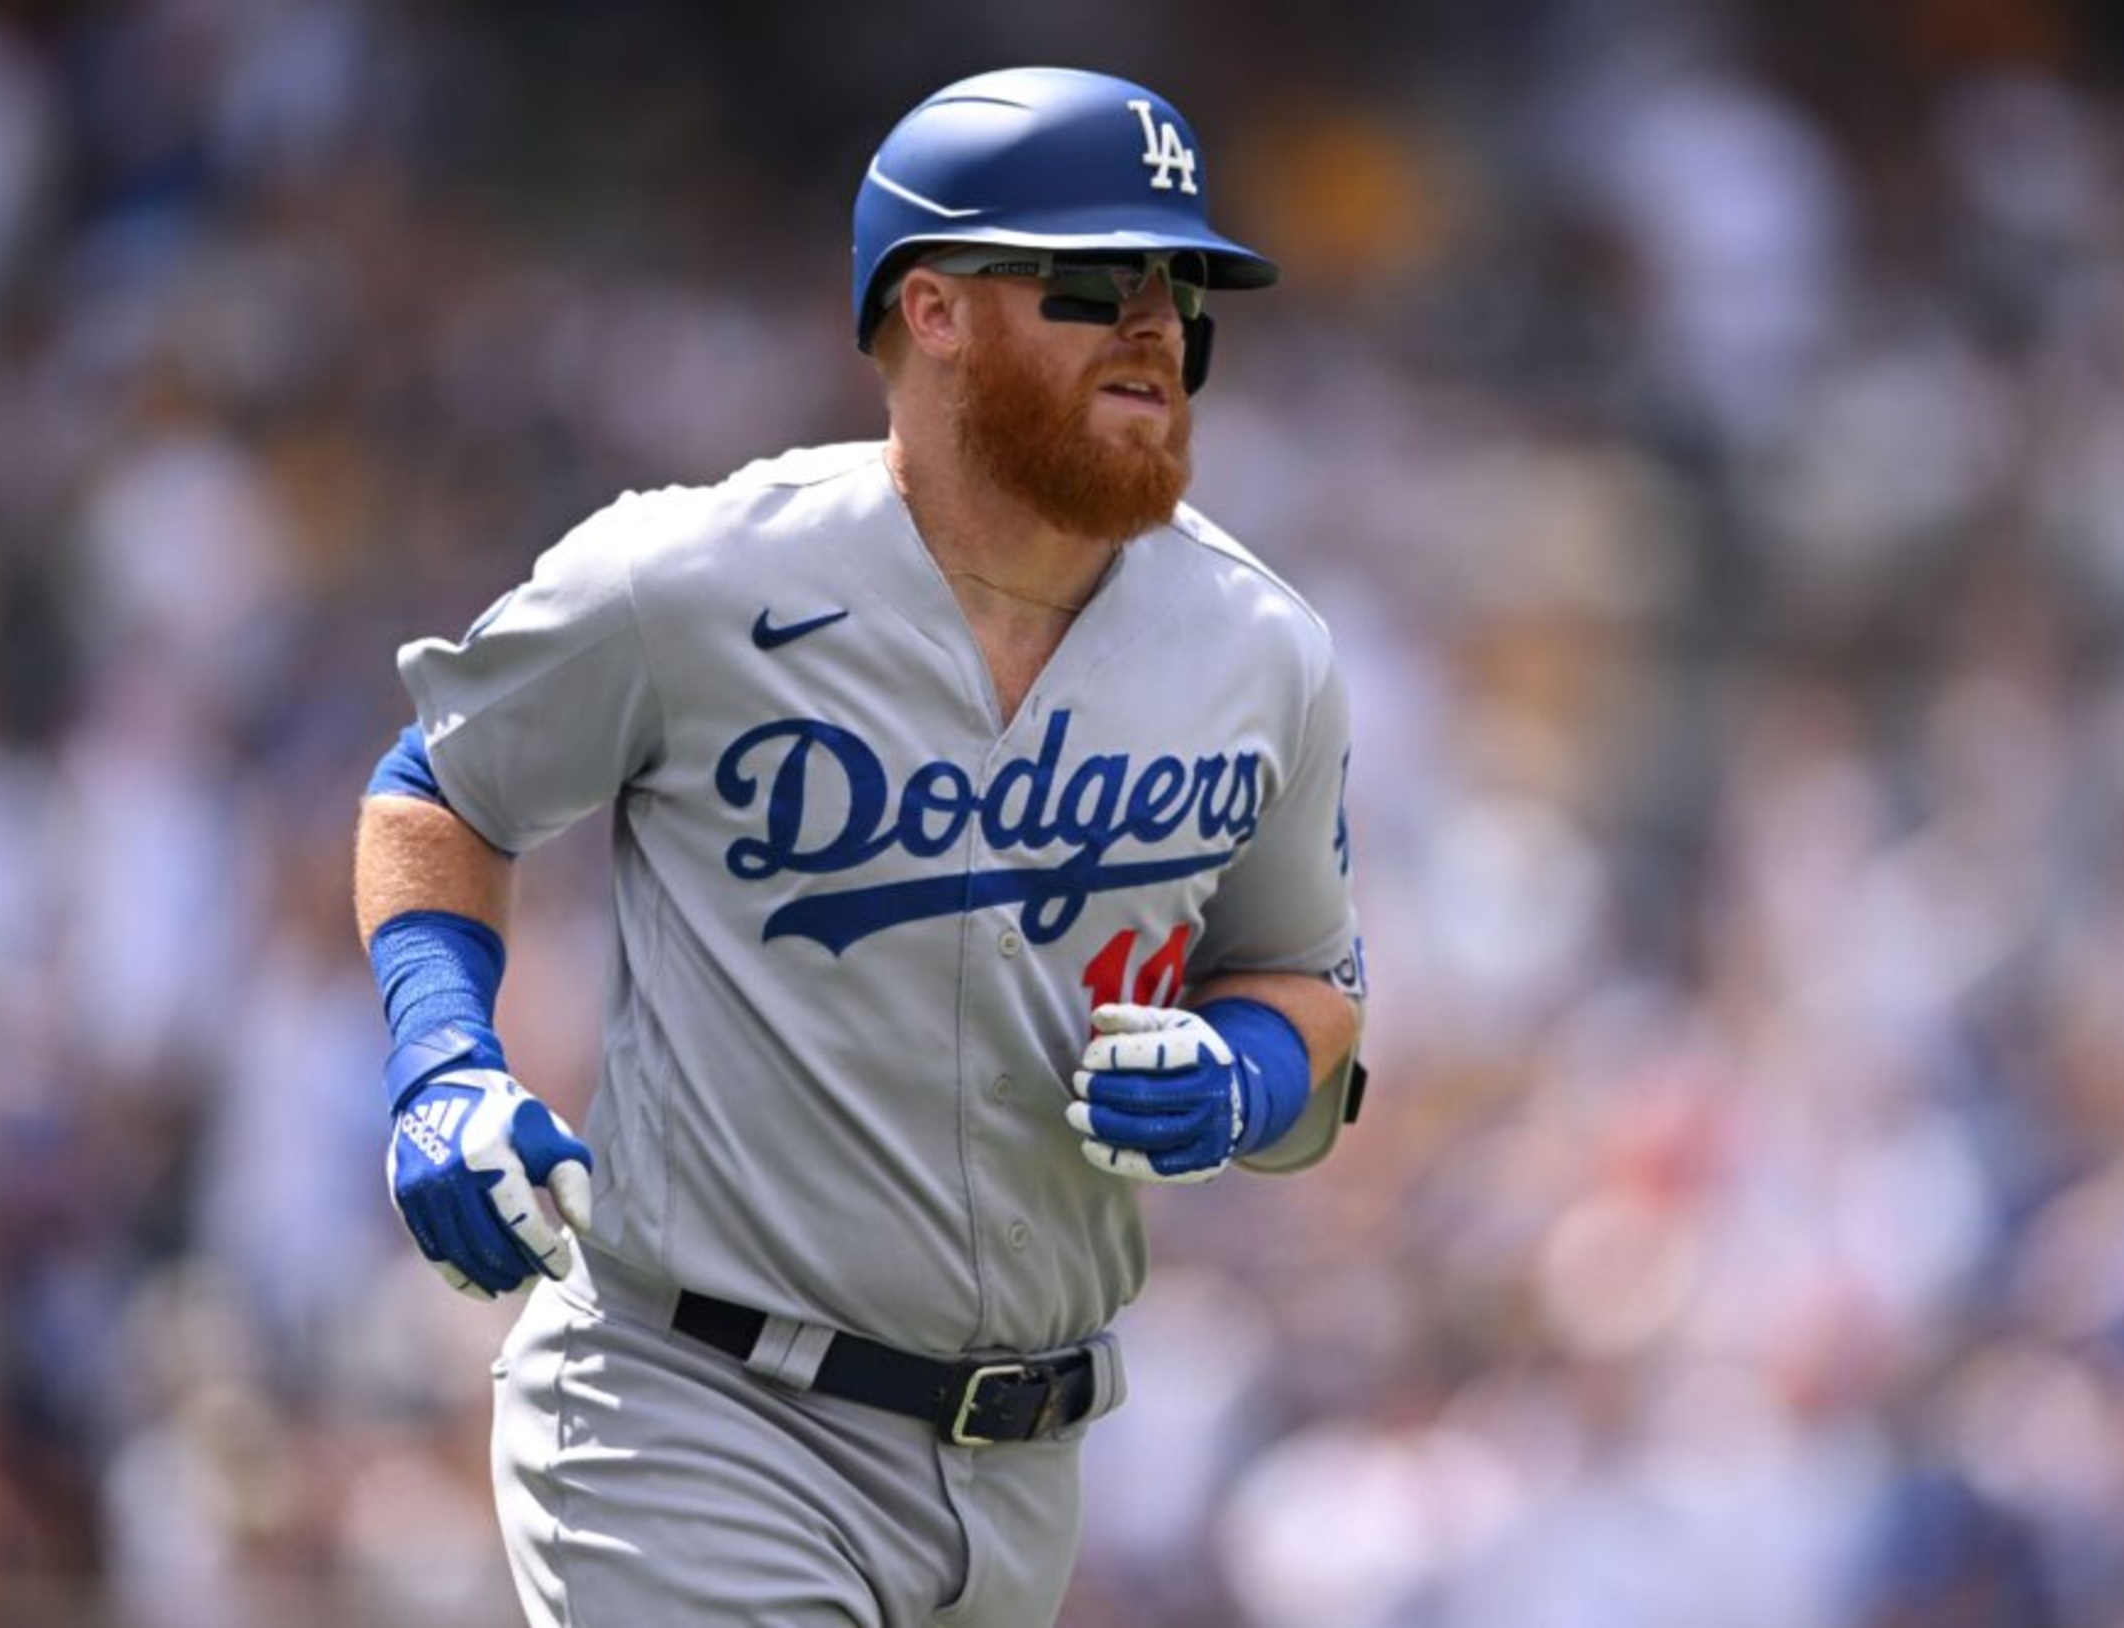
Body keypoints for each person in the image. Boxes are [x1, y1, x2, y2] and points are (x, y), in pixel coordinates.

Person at [350, 65, 1368, 1627]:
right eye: (1096, 280)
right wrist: (440, 1058)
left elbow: (1305, 982)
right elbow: (442, 787)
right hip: (693, 1412)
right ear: (935, 310)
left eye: (1184, 287)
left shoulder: (1262, 650)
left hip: (1027, 1473)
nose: (1157, 324)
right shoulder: (690, 577)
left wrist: (1251, 1076)